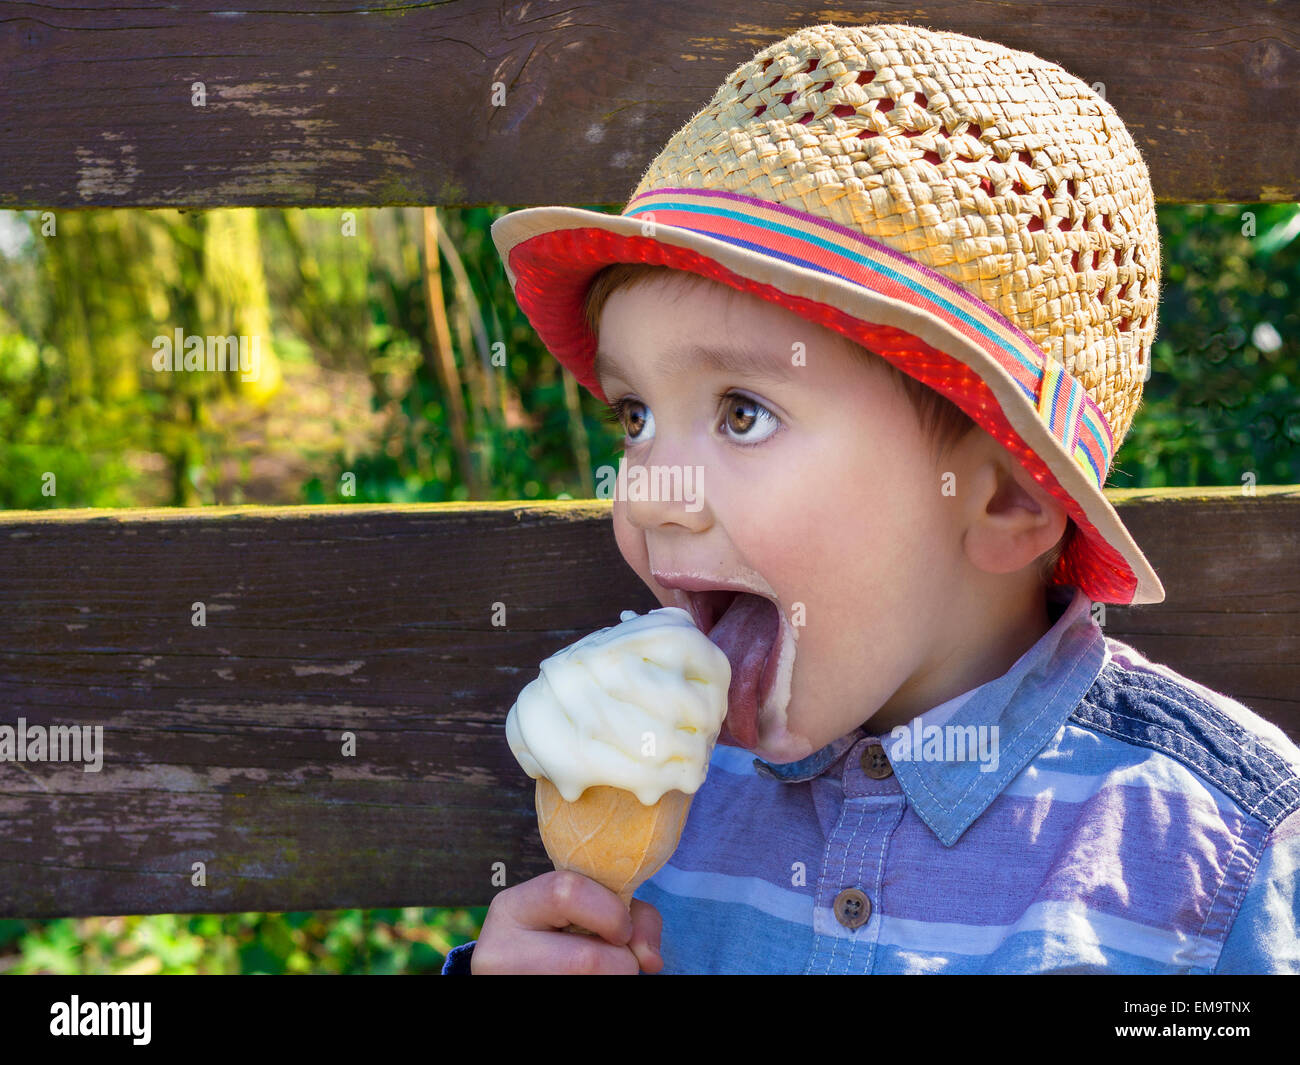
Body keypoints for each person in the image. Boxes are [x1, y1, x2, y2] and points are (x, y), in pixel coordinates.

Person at [444, 22, 1300, 974]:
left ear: (1008, 497)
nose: (649, 493)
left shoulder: (1215, 853)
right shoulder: (661, 795)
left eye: (741, 413)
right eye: (634, 416)